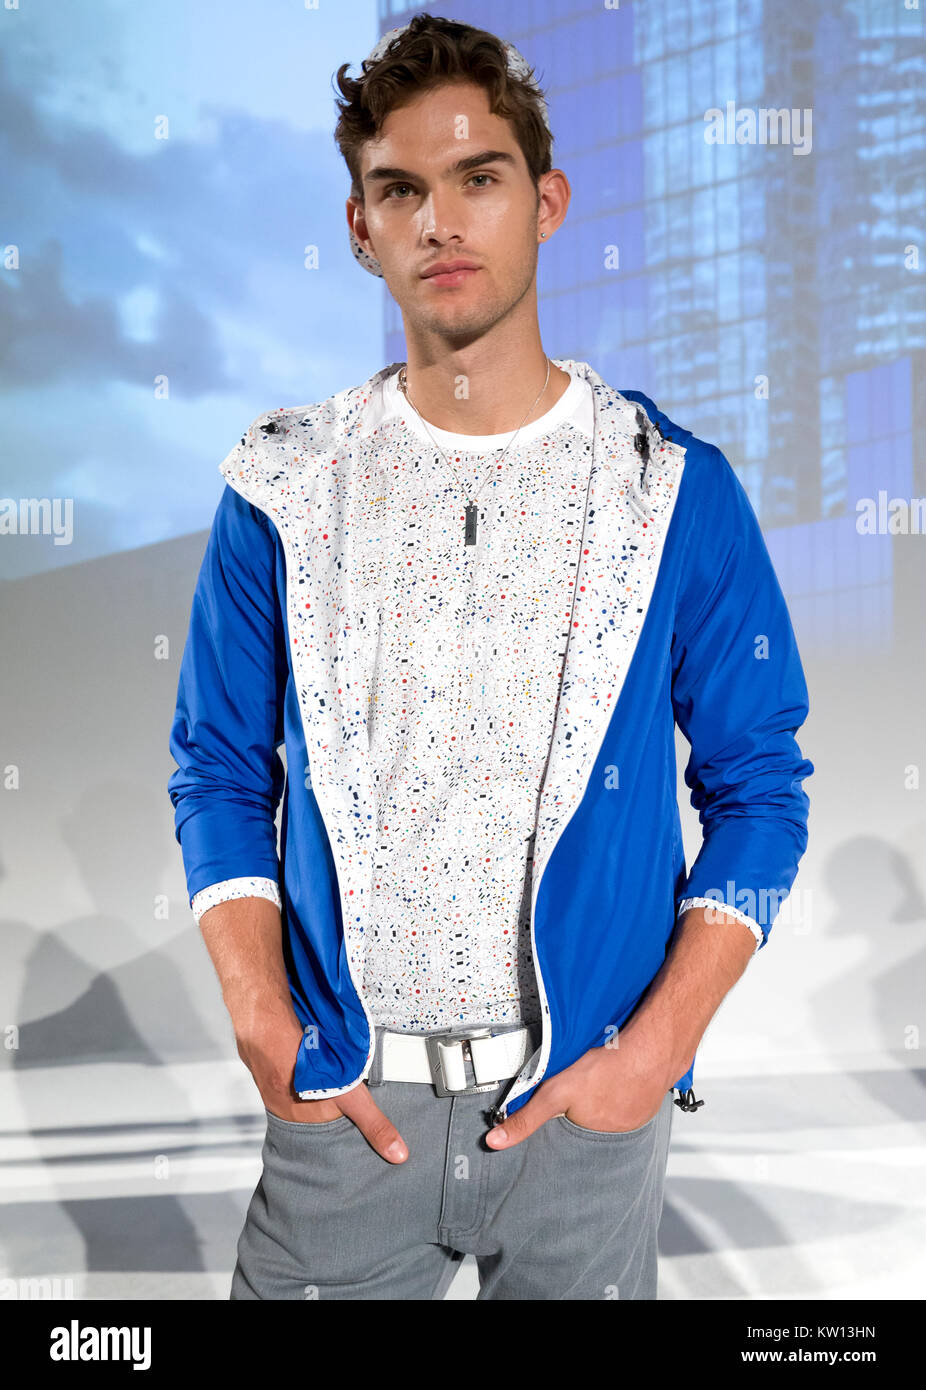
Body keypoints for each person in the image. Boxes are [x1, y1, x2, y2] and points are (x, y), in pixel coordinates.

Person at [167, 13, 814, 1301]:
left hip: (582, 1113)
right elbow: (220, 770)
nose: (440, 220)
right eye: (400, 189)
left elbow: (760, 788)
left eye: (480, 179)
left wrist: (653, 1051)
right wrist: (260, 1020)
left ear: (549, 201)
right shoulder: (285, 485)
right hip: (348, 1110)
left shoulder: (668, 488)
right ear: (361, 228)